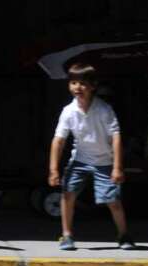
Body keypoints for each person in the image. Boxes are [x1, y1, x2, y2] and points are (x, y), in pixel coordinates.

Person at [48, 62, 135, 251]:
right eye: (73, 83)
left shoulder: (104, 110)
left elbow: (116, 137)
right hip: (80, 160)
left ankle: (123, 235)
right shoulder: (69, 112)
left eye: (82, 83)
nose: (77, 87)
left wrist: (117, 167)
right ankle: (67, 235)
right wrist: (53, 169)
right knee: (67, 194)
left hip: (105, 160)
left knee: (113, 201)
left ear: (93, 86)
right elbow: (59, 141)